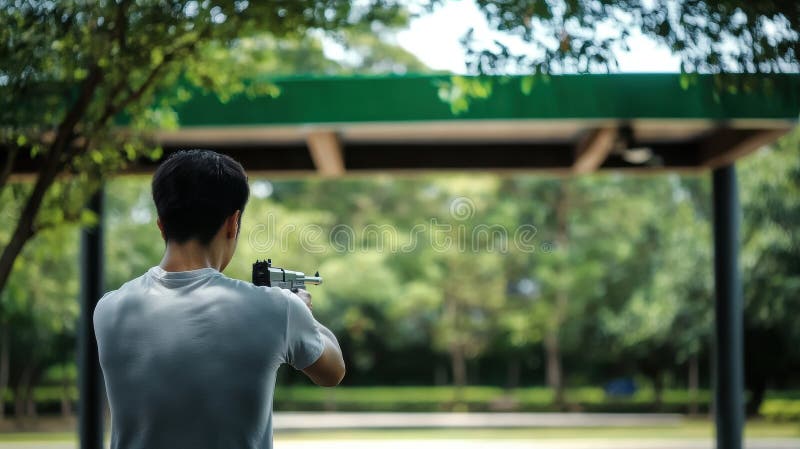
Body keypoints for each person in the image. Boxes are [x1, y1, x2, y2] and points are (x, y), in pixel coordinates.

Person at [93, 149, 345, 449]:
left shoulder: (109, 309)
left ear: (161, 224)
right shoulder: (279, 308)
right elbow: (333, 371)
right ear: (232, 223)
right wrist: (303, 312)